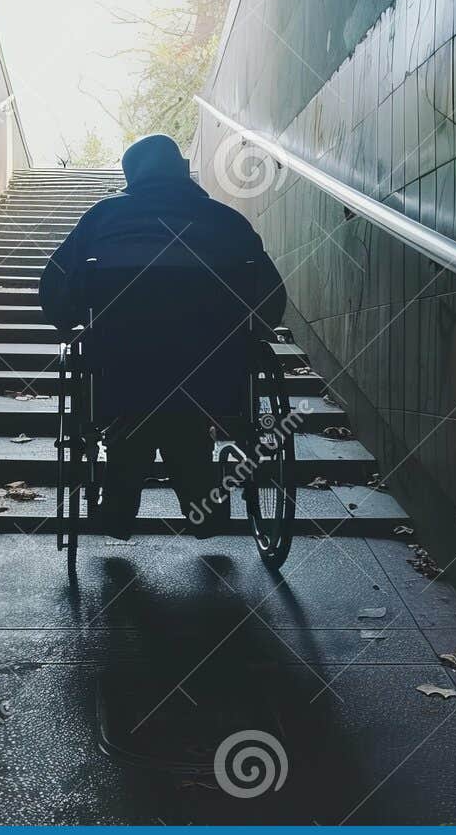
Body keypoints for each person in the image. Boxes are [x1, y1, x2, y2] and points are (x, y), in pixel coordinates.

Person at [39, 133, 286, 537]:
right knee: (181, 411)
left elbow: (54, 287)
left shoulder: (103, 217)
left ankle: (117, 508)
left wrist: (68, 324)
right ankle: (203, 506)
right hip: (212, 373)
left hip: (119, 370)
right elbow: (271, 295)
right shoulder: (227, 221)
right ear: (182, 172)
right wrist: (254, 334)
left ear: (130, 176)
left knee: (138, 408)